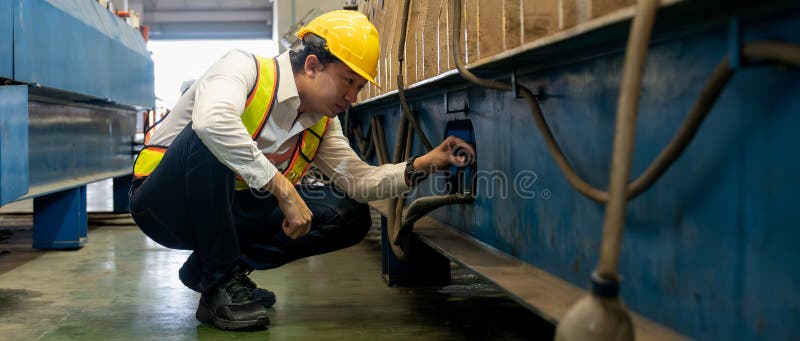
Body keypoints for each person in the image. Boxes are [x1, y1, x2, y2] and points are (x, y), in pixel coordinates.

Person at [129, 10, 473, 331]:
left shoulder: (321, 123)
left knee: (349, 214)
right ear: (312, 65)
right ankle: (218, 282)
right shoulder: (242, 67)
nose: (352, 96)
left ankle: (214, 269)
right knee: (210, 136)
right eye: (347, 81)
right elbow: (210, 122)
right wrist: (283, 188)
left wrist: (425, 164)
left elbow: (360, 182)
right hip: (162, 206)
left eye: (359, 87)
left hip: (225, 212)